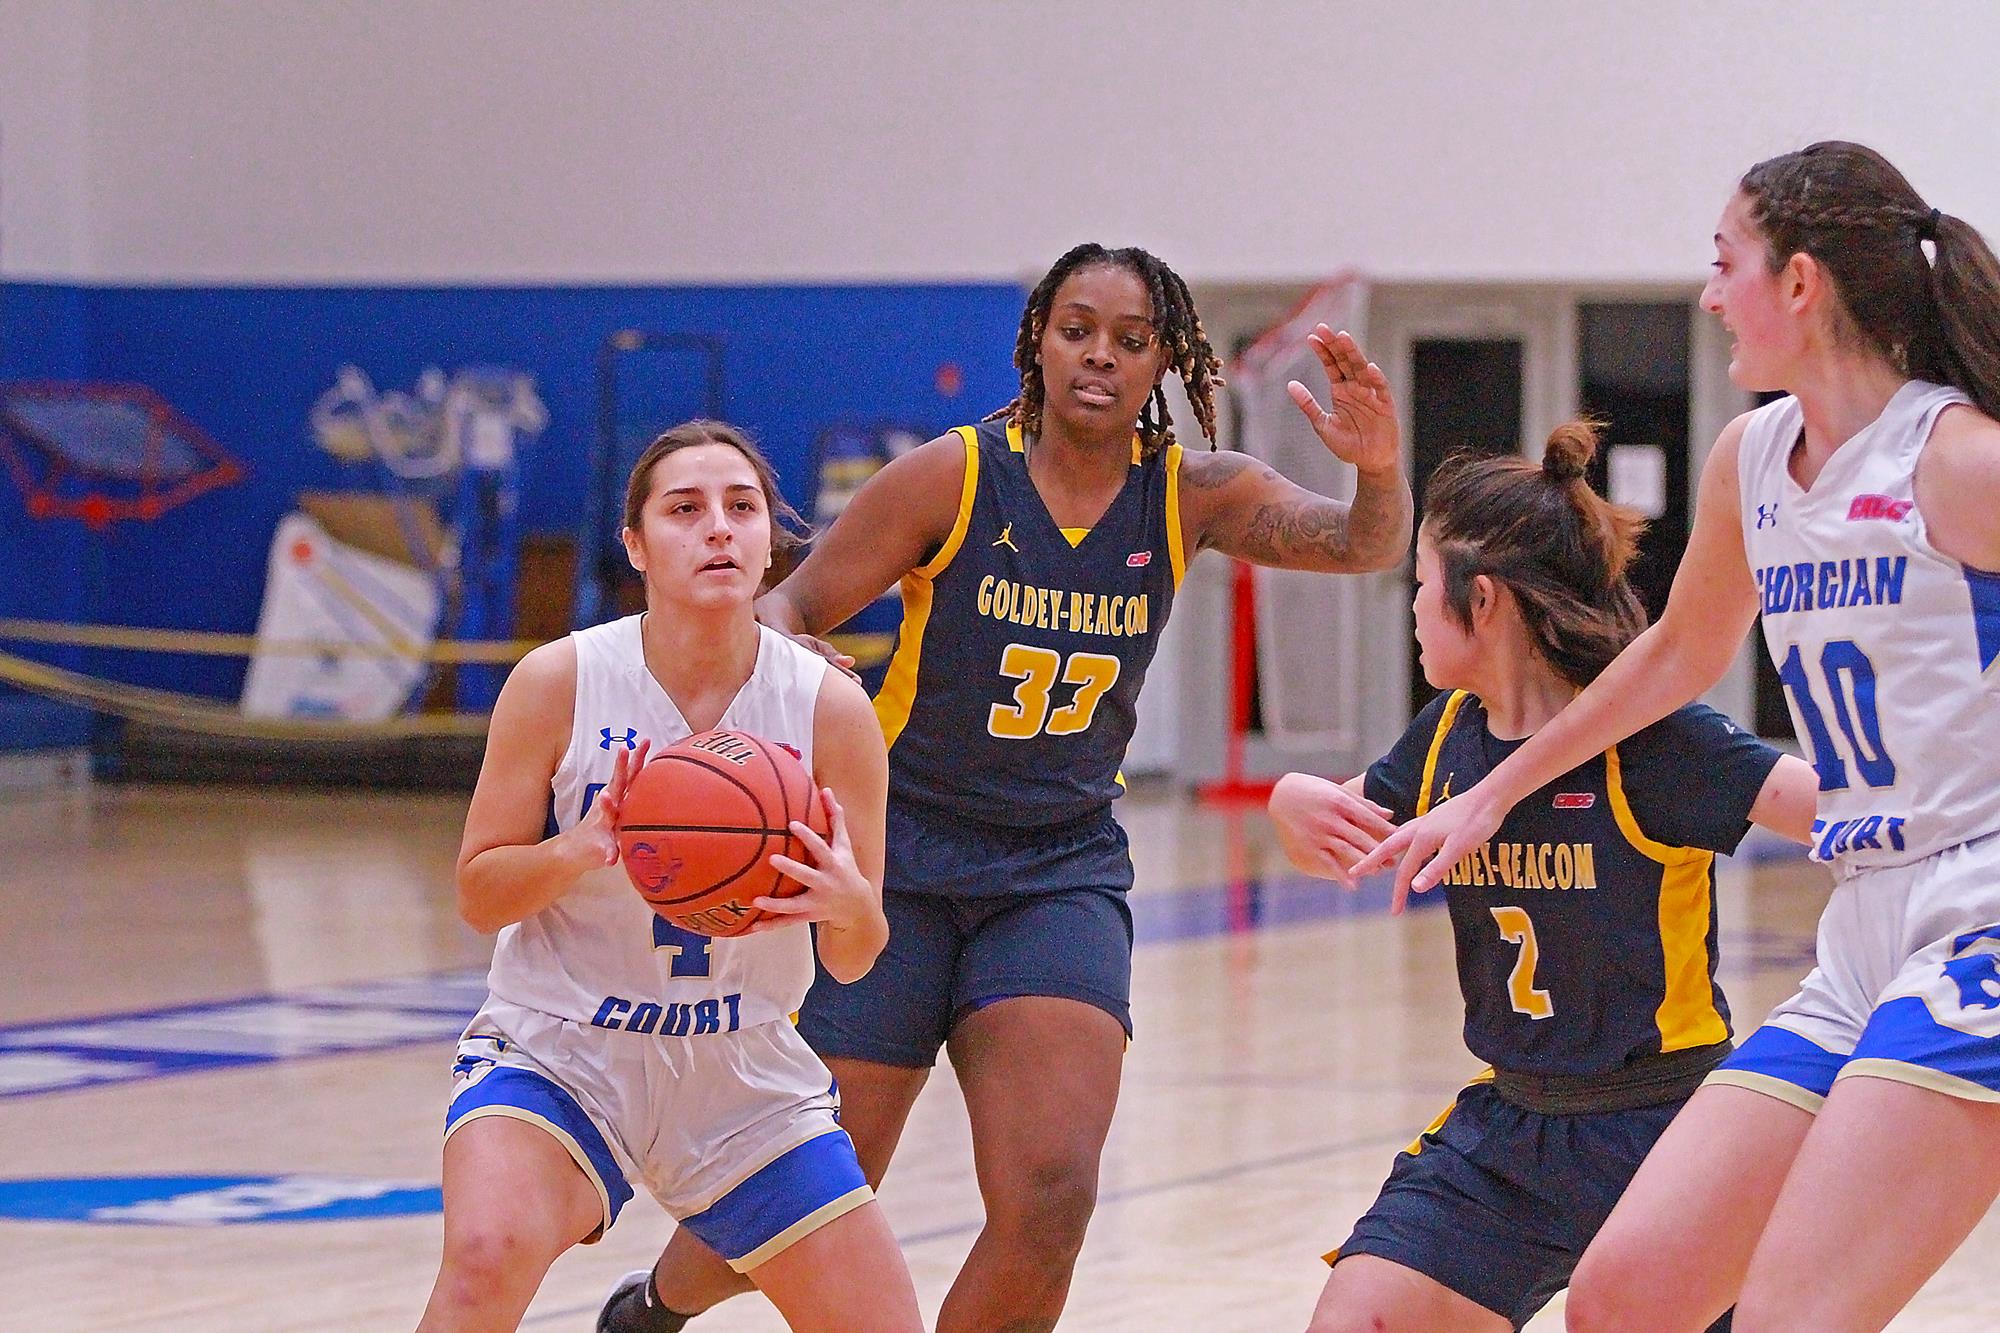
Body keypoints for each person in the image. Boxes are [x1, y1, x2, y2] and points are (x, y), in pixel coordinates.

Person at [600, 242, 1414, 1333]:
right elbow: (790, 607)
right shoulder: (954, 474)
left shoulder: (1191, 493)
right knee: (815, 1186)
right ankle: (652, 1308)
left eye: (1131, 340)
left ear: (1163, 358)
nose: (1099, 357)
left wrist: (1378, 469)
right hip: (896, 860)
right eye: (1077, 329)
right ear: (1037, 339)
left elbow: (1363, 546)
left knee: (1052, 1194)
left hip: (1058, 866)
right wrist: (794, 662)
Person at [1359, 141, 2000, 1332]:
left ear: (1798, 283)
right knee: (1625, 1296)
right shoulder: (1750, 459)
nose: (1709, 294)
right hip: (1860, 919)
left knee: (1791, 1314)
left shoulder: (1954, 461)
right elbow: (1669, 659)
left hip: (1980, 914)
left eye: (1725, 264)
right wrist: (1493, 792)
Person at [1271, 420, 1818, 1333]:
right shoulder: (1448, 733)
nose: (1408, 609)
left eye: (1418, 586)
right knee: (1355, 1318)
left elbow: (1830, 809)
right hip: (1512, 1128)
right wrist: (1294, 800)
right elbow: (1339, 829)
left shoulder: (1652, 742)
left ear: (1480, 601)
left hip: (1665, 1126)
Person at [419, 421, 921, 1333]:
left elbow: (855, 956)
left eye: (742, 508)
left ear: (773, 540)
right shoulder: (559, 679)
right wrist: (581, 846)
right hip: (563, 1050)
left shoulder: (830, 709)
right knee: (484, 1260)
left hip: (743, 1066)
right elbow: (477, 892)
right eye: (684, 510)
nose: (718, 529)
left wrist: (851, 905)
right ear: (636, 544)